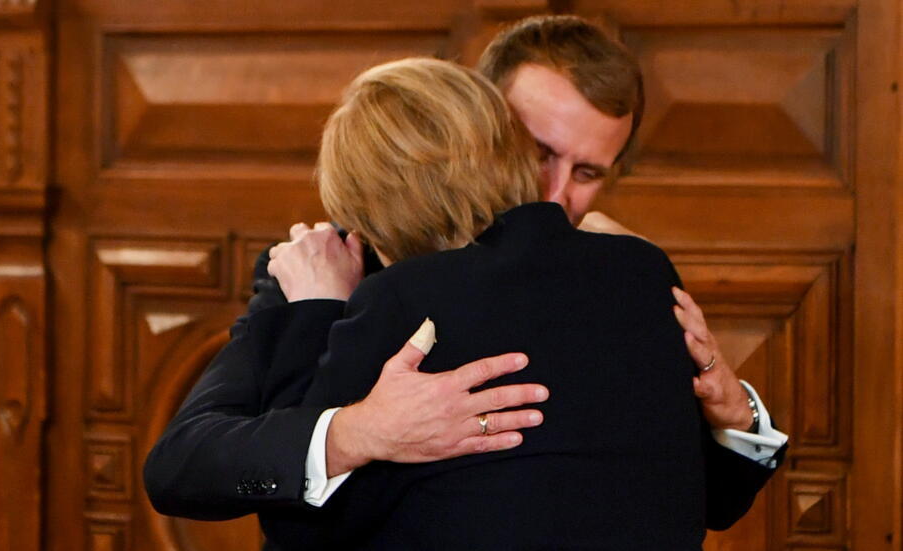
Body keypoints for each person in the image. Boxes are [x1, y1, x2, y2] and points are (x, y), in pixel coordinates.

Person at [144, 14, 787, 538]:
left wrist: (736, 414)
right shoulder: (318, 267)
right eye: (536, 152)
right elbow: (187, 467)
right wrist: (348, 427)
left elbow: (686, 497)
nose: (555, 193)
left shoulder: (628, 275)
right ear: (477, 118)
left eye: (588, 173)